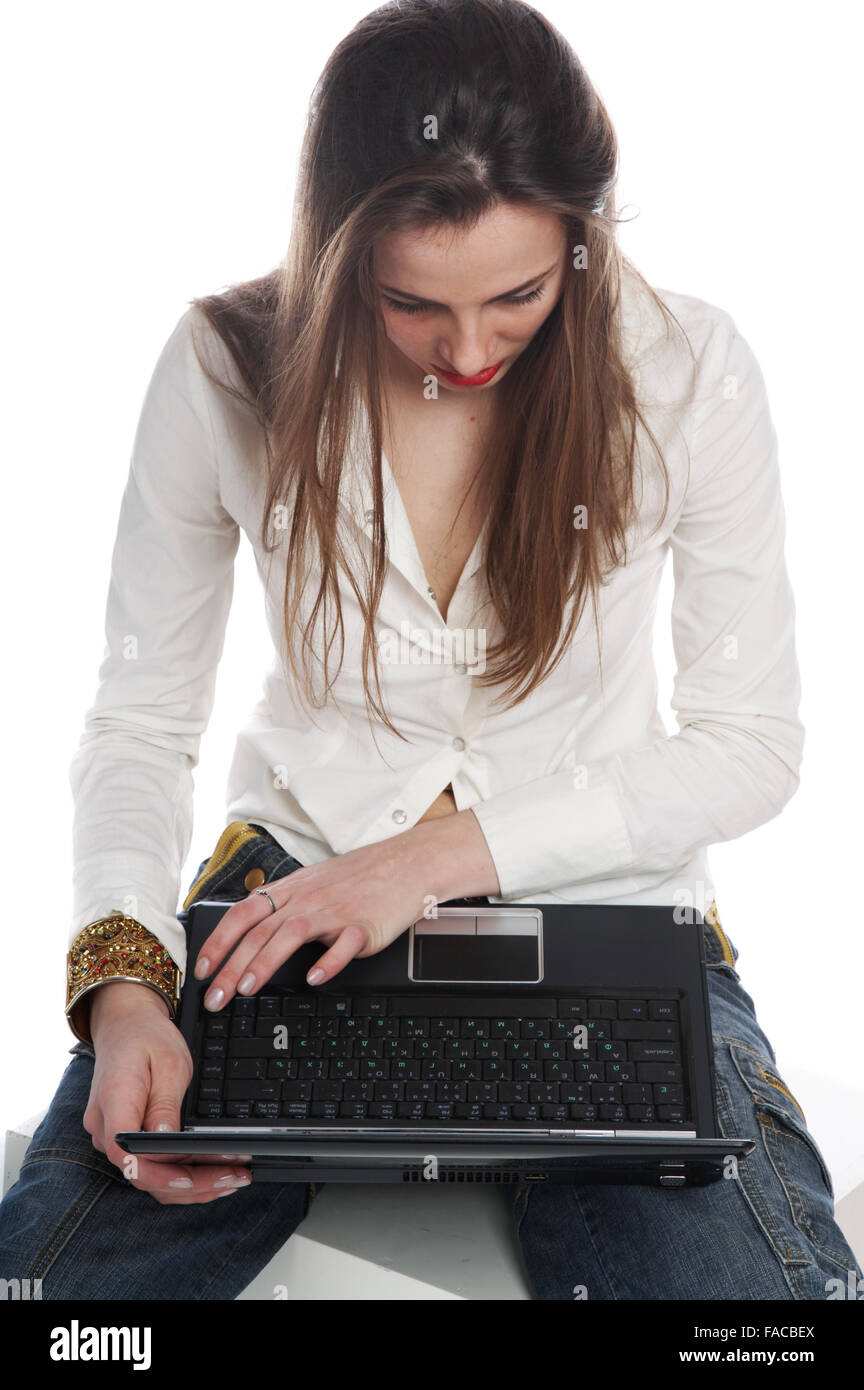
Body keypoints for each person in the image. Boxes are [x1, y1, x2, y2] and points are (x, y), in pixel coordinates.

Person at [1, 0, 859, 1301]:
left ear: (584, 230)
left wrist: (429, 863)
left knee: (756, 1325)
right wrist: (123, 995)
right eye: (412, 302)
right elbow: (138, 722)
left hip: (609, 909)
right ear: (336, 251)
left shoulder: (690, 370)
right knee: (61, 1310)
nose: (468, 351)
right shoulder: (224, 369)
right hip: (288, 901)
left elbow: (753, 745)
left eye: (518, 294)